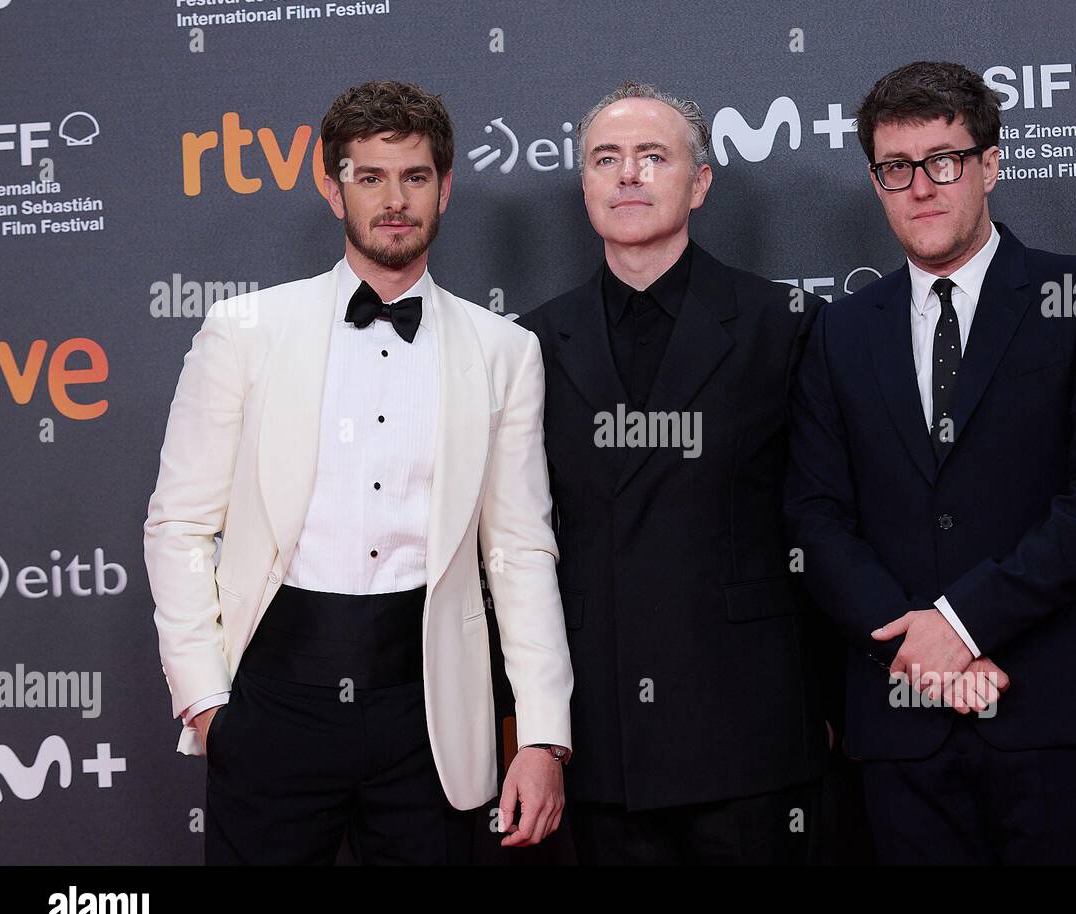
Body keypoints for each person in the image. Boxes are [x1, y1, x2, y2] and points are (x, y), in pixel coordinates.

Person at [143, 80, 573, 865]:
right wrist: (207, 705)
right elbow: (179, 525)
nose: (394, 200)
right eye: (369, 176)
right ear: (331, 185)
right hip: (272, 696)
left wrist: (543, 735)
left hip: (430, 709)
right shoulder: (243, 332)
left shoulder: (504, 352)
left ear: (445, 187)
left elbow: (519, 551)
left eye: (413, 176)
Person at [784, 61, 1076, 864]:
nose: (921, 186)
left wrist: (959, 625)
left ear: (989, 164)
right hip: (901, 729)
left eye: (943, 160)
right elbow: (815, 517)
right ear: (876, 181)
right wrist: (913, 651)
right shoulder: (838, 332)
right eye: (896, 168)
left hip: (1056, 715)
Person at [518, 81, 827, 865]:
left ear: (700, 182)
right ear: (583, 182)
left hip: (748, 724)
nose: (628, 175)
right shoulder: (528, 343)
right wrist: (534, 730)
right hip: (599, 732)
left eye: (653, 157)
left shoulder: (783, 323)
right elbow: (512, 546)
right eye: (606, 159)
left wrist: (832, 701)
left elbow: (822, 521)